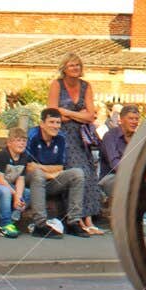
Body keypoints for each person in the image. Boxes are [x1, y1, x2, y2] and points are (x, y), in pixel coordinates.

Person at [48, 53, 105, 235]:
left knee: (88, 172)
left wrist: (67, 113)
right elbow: (52, 113)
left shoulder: (85, 86)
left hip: (81, 136)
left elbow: (90, 115)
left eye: (78, 65)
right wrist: (76, 114)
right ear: (64, 68)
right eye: (72, 65)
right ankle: (77, 218)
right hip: (62, 135)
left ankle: (89, 219)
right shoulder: (57, 85)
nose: (75, 69)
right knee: (74, 172)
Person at [24, 108, 83, 238]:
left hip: (50, 182)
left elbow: (60, 167)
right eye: (52, 122)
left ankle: (73, 222)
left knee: (77, 173)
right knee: (37, 175)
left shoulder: (61, 137)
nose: (56, 126)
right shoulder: (32, 136)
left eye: (58, 122)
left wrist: (43, 170)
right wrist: (49, 172)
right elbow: (29, 166)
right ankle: (40, 225)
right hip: (30, 181)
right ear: (42, 123)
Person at [0, 126, 32, 237]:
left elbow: (20, 179)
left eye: (24, 141)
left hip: (7, 185)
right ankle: (5, 224)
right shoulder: (3, 155)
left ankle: (12, 219)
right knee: (5, 192)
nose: (22, 144)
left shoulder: (24, 156)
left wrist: (18, 196)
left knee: (27, 193)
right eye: (18, 140)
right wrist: (15, 195)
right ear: (9, 143)